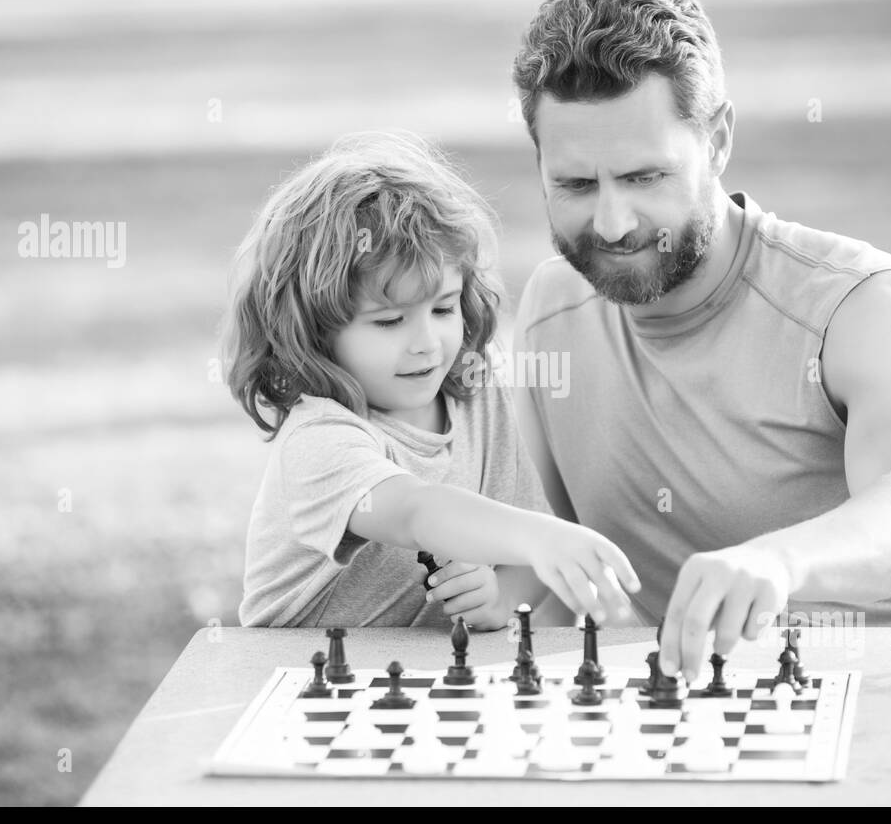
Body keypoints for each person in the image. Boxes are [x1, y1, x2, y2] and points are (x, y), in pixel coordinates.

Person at [508, 0, 891, 679]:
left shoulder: (865, 305)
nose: (612, 224)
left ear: (718, 141)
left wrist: (778, 560)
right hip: (748, 721)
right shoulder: (552, 310)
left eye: (645, 178)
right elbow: (539, 569)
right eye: (577, 186)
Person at [222, 131, 639, 631]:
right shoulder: (318, 440)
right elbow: (415, 511)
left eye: (443, 308)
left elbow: (526, 554)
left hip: (420, 689)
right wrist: (543, 537)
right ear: (315, 329)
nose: (426, 343)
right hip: (296, 687)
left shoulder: (478, 397)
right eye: (389, 321)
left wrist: (500, 597)